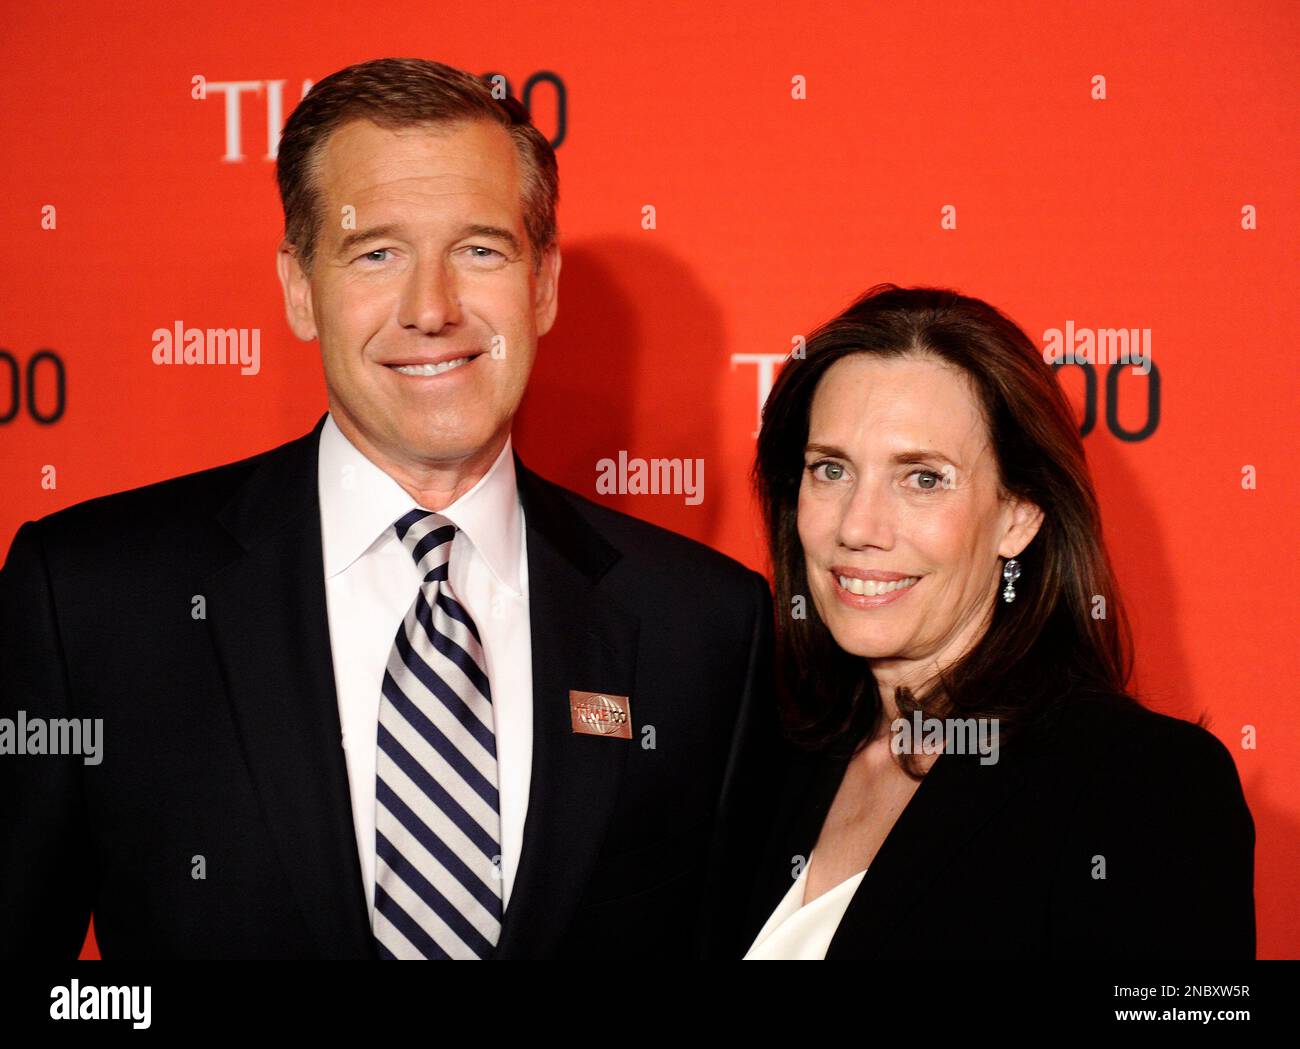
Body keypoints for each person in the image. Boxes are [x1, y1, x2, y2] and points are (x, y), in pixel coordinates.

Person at [0, 57, 783, 960]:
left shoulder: (705, 628)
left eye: (480, 250)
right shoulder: (95, 600)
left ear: (543, 285)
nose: (432, 308)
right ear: (300, 288)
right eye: (376, 252)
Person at [741, 284, 1255, 959]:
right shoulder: (767, 762)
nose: (857, 527)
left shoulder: (1143, 787)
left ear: (1019, 513)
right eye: (830, 469)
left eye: (922, 478)